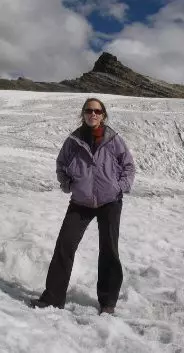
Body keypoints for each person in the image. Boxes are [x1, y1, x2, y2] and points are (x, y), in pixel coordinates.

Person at [30, 98, 135, 314]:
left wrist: (119, 186)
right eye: (89, 110)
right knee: (64, 246)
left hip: (110, 202)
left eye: (97, 111)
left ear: (103, 115)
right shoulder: (73, 140)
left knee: (109, 250)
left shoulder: (113, 140)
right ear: (83, 114)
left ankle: (108, 302)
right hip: (81, 202)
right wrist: (67, 183)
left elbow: (129, 166)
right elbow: (61, 164)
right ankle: (52, 298)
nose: (93, 114)